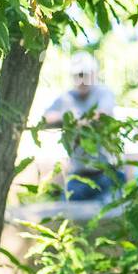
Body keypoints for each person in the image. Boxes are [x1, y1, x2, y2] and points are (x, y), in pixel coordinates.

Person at [42, 52, 118, 201]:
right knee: (68, 212)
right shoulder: (66, 97)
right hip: (78, 175)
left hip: (106, 173)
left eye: (85, 74)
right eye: (78, 75)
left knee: (112, 217)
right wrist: (72, 119)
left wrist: (71, 120)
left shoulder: (103, 92)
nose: (82, 79)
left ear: (93, 74)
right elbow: (45, 119)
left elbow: (102, 116)